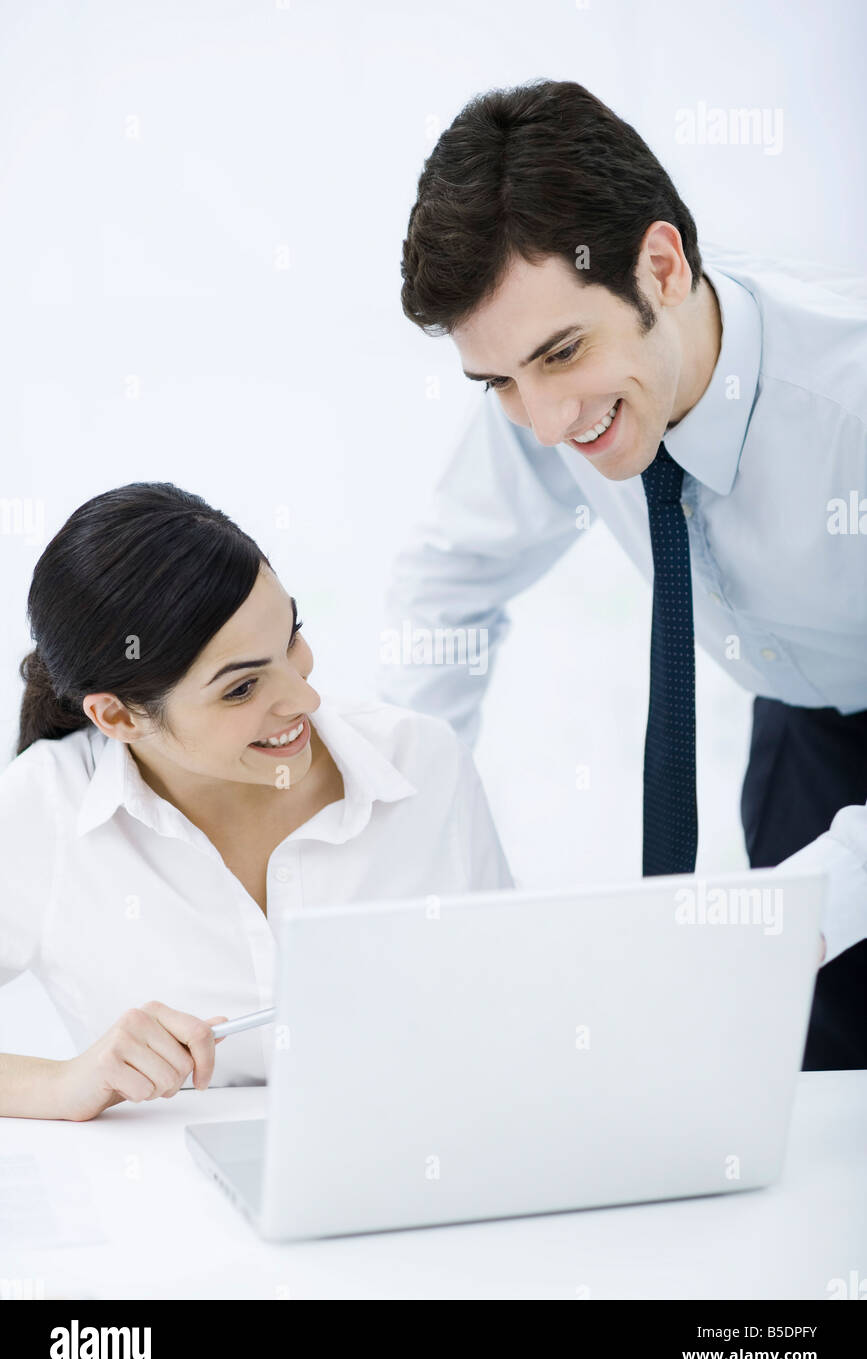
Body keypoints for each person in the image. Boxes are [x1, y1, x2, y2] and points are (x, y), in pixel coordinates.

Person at [379, 78, 867, 1070]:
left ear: (661, 265)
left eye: (562, 354)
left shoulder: (848, 409)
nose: (548, 422)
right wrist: (400, 838)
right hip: (805, 730)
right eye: (500, 383)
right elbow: (451, 580)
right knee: (813, 1101)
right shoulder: (542, 400)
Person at [0, 482, 512, 1121]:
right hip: (164, 1207)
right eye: (241, 689)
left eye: (291, 638)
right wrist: (63, 1084)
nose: (303, 699)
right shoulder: (46, 807)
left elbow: (513, 1006)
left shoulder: (422, 763)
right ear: (120, 717)